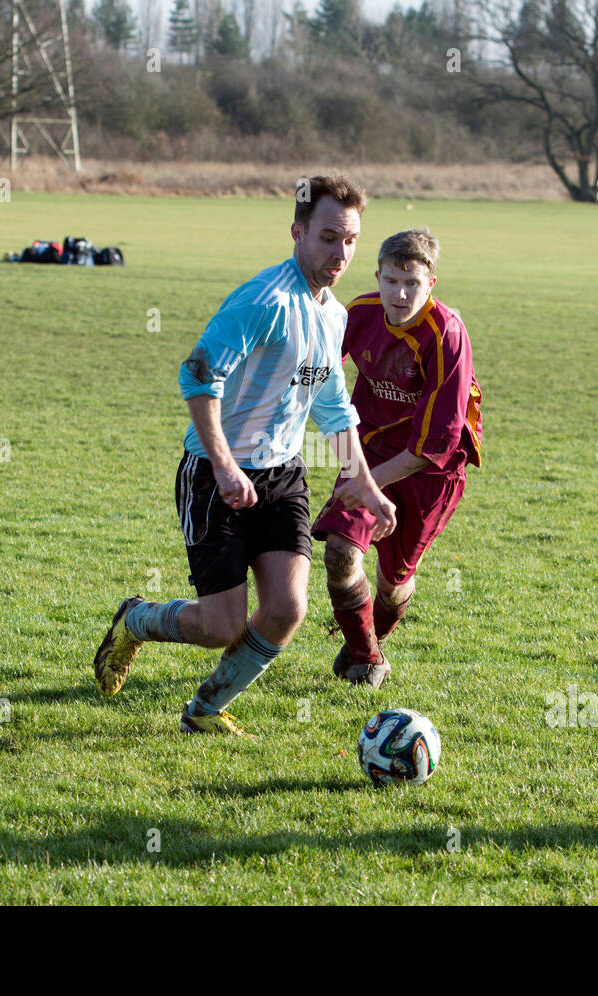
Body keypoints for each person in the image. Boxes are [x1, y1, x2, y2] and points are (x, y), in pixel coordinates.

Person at [93, 174, 397, 737]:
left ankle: (204, 710)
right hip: (214, 476)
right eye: (329, 237)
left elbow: (330, 401)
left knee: (286, 609)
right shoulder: (263, 301)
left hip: (282, 476)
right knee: (220, 624)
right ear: (298, 233)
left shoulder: (333, 315)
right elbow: (198, 375)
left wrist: (364, 481)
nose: (341, 253)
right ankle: (135, 620)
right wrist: (226, 464)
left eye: (351, 241)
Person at [311, 229, 483, 689]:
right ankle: (370, 660)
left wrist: (372, 481)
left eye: (412, 284)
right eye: (390, 281)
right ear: (378, 277)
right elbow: (317, 369)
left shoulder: (445, 334)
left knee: (392, 580)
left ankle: (361, 644)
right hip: (371, 455)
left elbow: (437, 443)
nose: (400, 294)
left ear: (431, 285)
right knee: (341, 553)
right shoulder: (361, 314)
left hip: (431, 470)